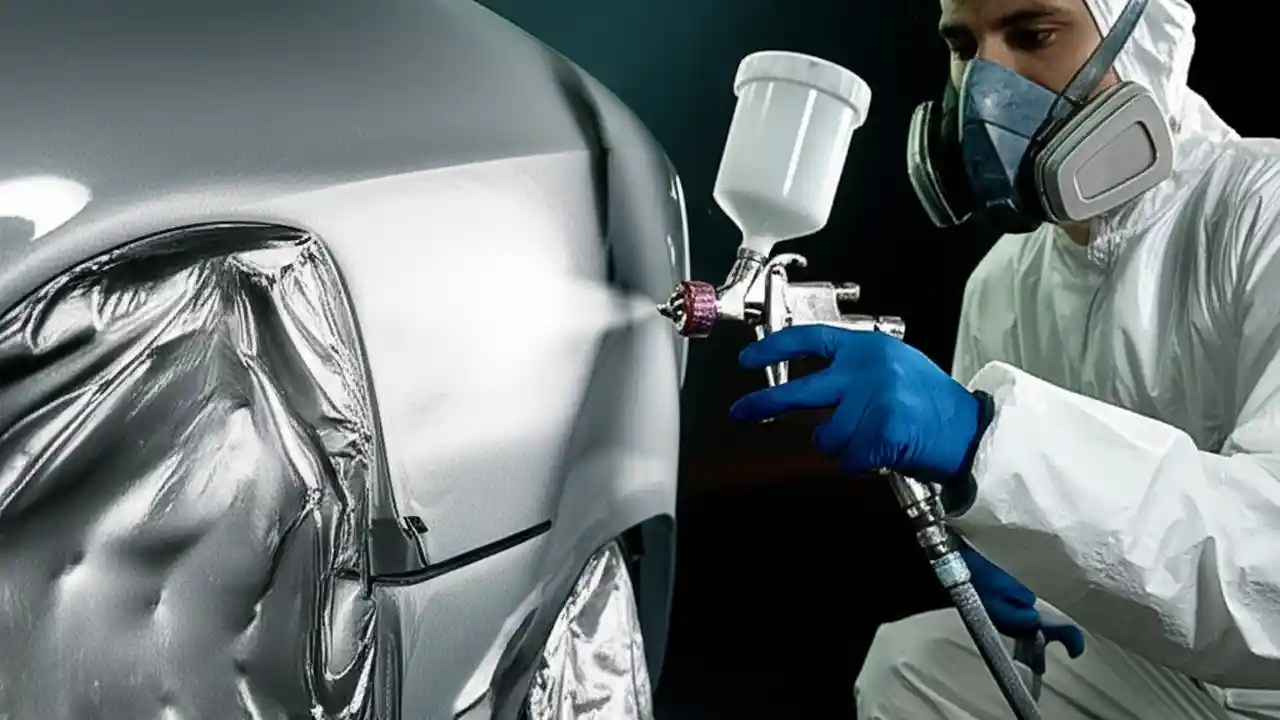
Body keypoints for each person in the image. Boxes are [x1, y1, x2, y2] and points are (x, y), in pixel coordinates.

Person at [728, 0, 1280, 717]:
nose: (984, 84)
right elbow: (1012, 533)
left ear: (1144, 43)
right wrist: (987, 539)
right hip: (1159, 677)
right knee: (916, 673)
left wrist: (986, 440)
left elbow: (1267, 571)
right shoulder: (1004, 281)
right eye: (963, 45)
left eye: (1032, 35)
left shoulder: (1261, 212)